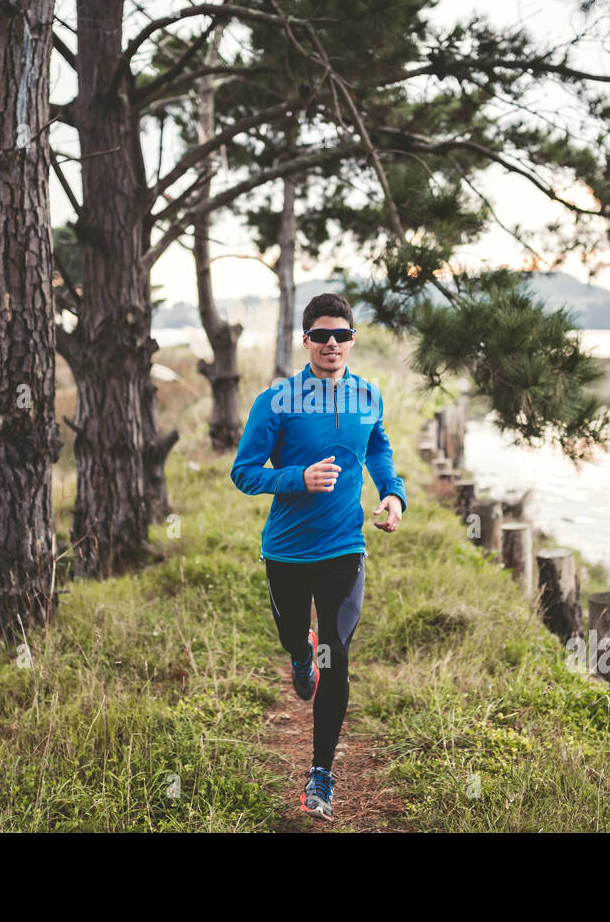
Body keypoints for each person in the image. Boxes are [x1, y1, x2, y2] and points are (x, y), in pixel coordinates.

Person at [229, 292, 407, 822]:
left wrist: (393, 493)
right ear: (305, 340)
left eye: (342, 335)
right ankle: (298, 654)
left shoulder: (368, 396)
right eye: (321, 335)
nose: (332, 344)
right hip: (286, 550)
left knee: (338, 653)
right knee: (298, 640)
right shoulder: (275, 401)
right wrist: (297, 479)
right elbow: (244, 472)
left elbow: (377, 447)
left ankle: (321, 773)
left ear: (352, 339)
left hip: (343, 548)